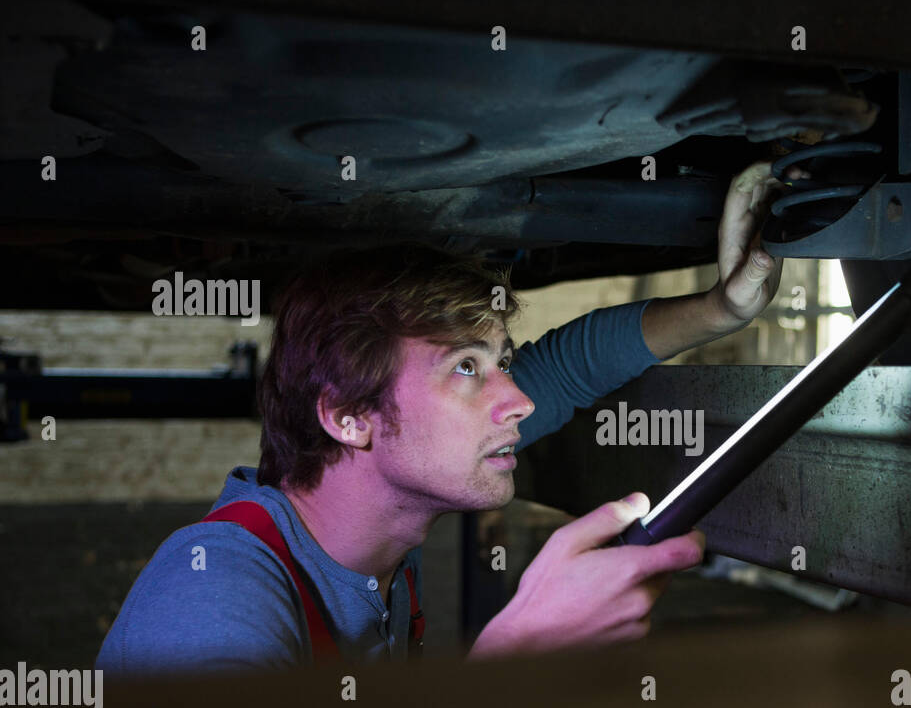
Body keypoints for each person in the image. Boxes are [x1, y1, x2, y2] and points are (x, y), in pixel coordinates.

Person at [95, 162, 790, 673]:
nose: (517, 399)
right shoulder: (216, 594)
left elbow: (569, 366)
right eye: (465, 368)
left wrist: (721, 309)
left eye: (500, 362)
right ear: (348, 416)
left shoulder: (368, 551)